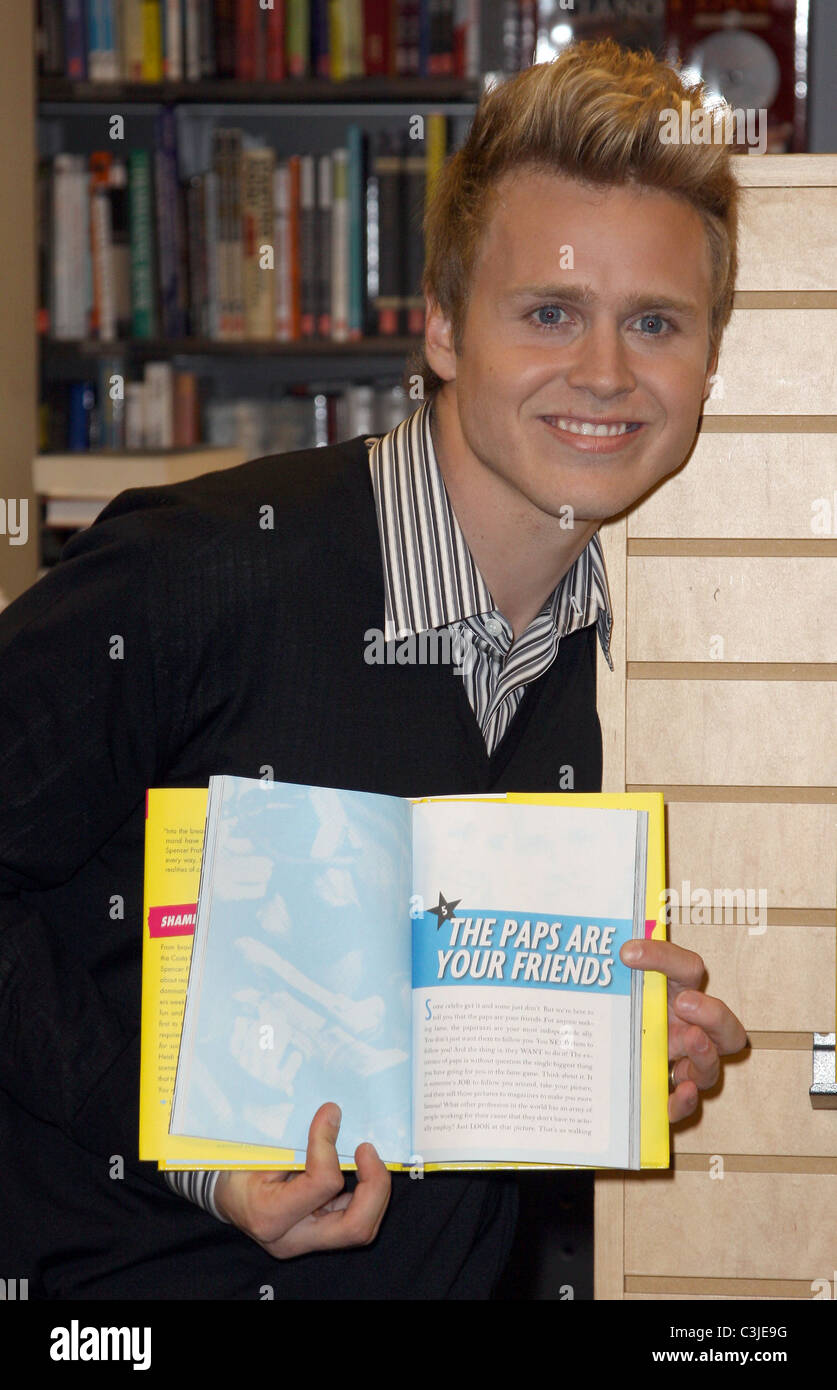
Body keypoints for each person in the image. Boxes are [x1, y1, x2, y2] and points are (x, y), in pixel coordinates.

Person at [0, 38, 747, 1299]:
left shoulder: (630, 675)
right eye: (550, 313)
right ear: (444, 327)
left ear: (710, 362)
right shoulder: (202, 571)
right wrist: (188, 1151)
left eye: (656, 323)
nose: (607, 373)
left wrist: (608, 1065)